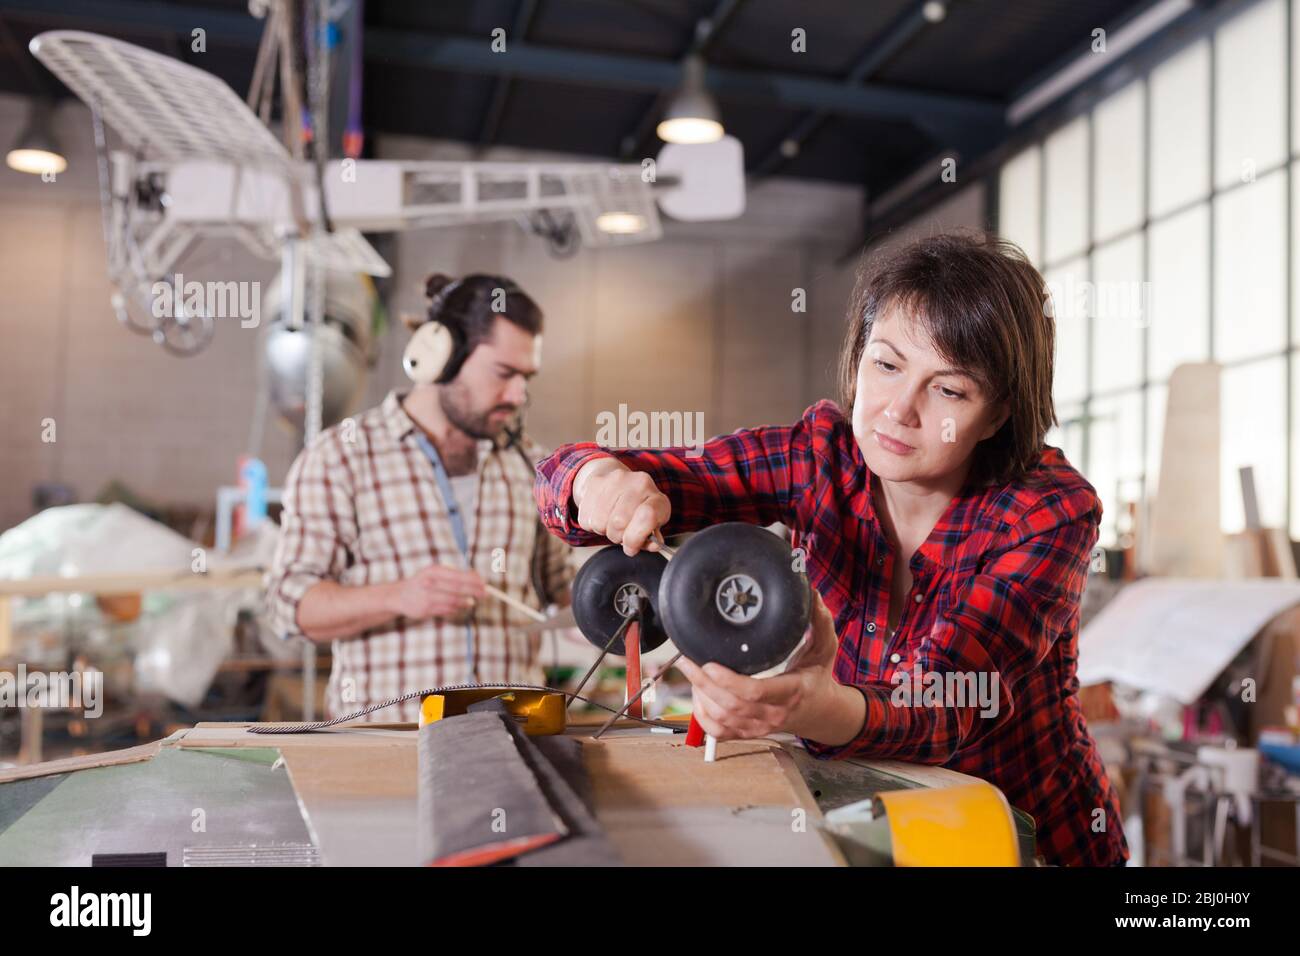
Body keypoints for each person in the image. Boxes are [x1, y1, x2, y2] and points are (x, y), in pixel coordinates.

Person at [533, 233, 1128, 866]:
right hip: (876, 827)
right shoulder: (819, 456)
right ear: (857, 355)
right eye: (887, 364)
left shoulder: (1047, 510)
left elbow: (947, 704)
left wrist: (812, 707)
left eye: (948, 390)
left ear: (999, 413)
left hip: (1021, 837)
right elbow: (566, 475)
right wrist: (598, 483)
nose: (898, 410)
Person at [267, 273, 575, 721]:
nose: (518, 395)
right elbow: (288, 607)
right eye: (504, 374)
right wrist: (398, 597)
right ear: (440, 357)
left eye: (526, 377)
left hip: (516, 735)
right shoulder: (342, 457)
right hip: (387, 749)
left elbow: (566, 591)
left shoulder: (532, 465)